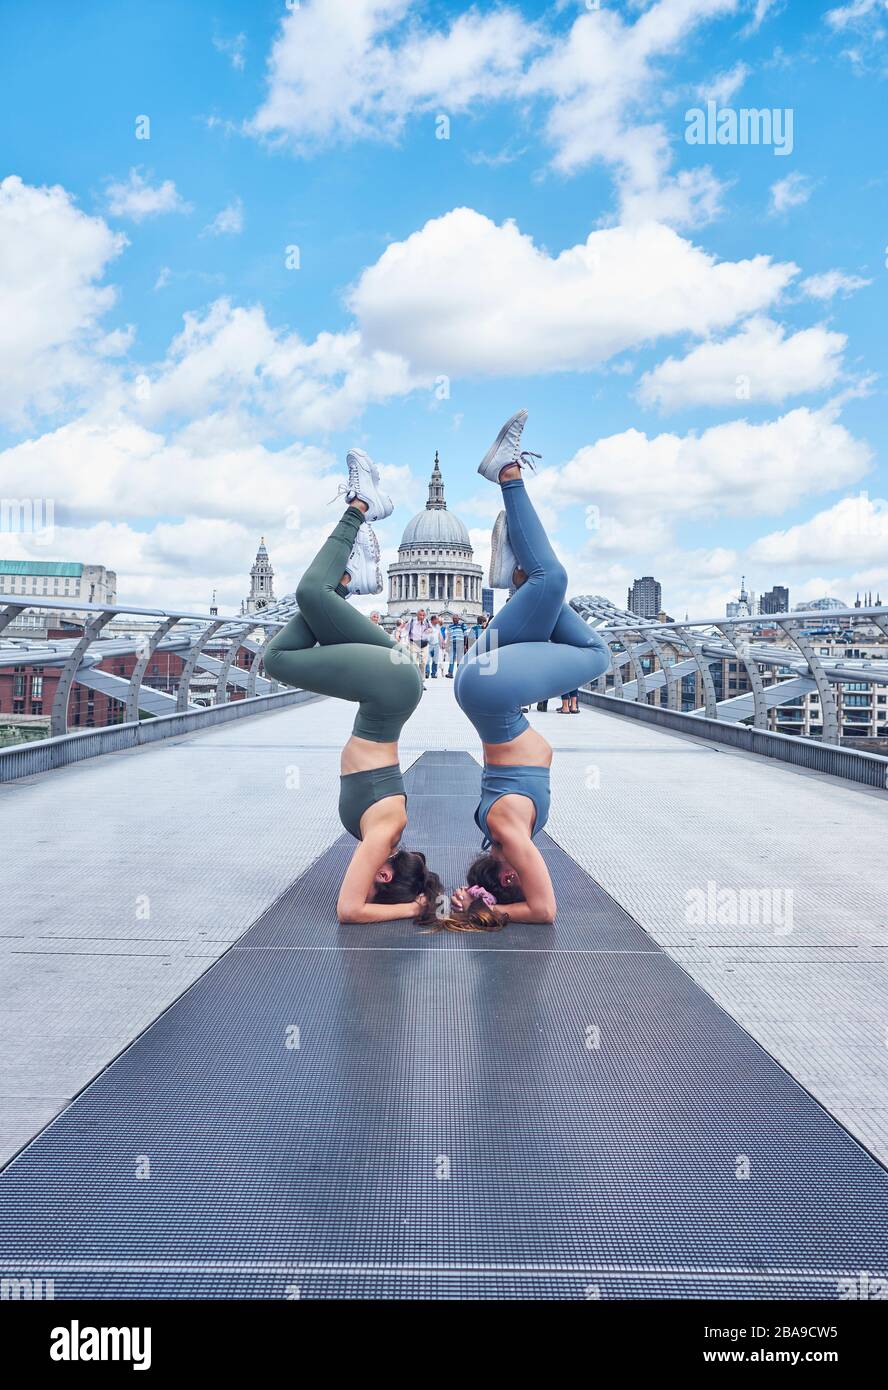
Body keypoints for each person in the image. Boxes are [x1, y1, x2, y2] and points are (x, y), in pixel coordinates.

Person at [262, 447, 442, 926]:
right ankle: (360, 505)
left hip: (394, 684)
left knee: (308, 620)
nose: (361, 876)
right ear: (384, 877)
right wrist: (415, 908)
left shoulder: (381, 834)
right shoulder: (382, 835)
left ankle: (347, 580)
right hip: (388, 687)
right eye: (371, 879)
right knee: (297, 617)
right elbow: (348, 910)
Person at [447, 409, 610, 930]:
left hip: (492, 692)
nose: (530, 872)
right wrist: (479, 900)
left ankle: (508, 474)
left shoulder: (507, 832)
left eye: (516, 877)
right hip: (485, 685)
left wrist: (485, 909)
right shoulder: (503, 833)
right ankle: (515, 579)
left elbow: (544, 912)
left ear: (506, 877)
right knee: (551, 593)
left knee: (569, 611)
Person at [444, 611, 469, 678]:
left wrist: (465, 645)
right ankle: (450, 673)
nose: (455, 619)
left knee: (459, 659)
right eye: (454, 618)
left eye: (456, 618)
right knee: (451, 658)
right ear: (452, 619)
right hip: (452, 643)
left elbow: (466, 635)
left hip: (460, 643)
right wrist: (447, 645)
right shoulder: (450, 626)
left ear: (458, 619)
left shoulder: (462, 625)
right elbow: (449, 636)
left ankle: (459, 673)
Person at [425, 614, 444, 680]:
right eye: (437, 619)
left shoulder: (438, 626)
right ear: (433, 620)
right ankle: (427, 672)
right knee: (427, 659)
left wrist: (442, 643)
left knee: (435, 660)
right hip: (428, 644)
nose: (438, 620)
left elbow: (440, 634)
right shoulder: (427, 624)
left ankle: (434, 673)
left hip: (436, 644)